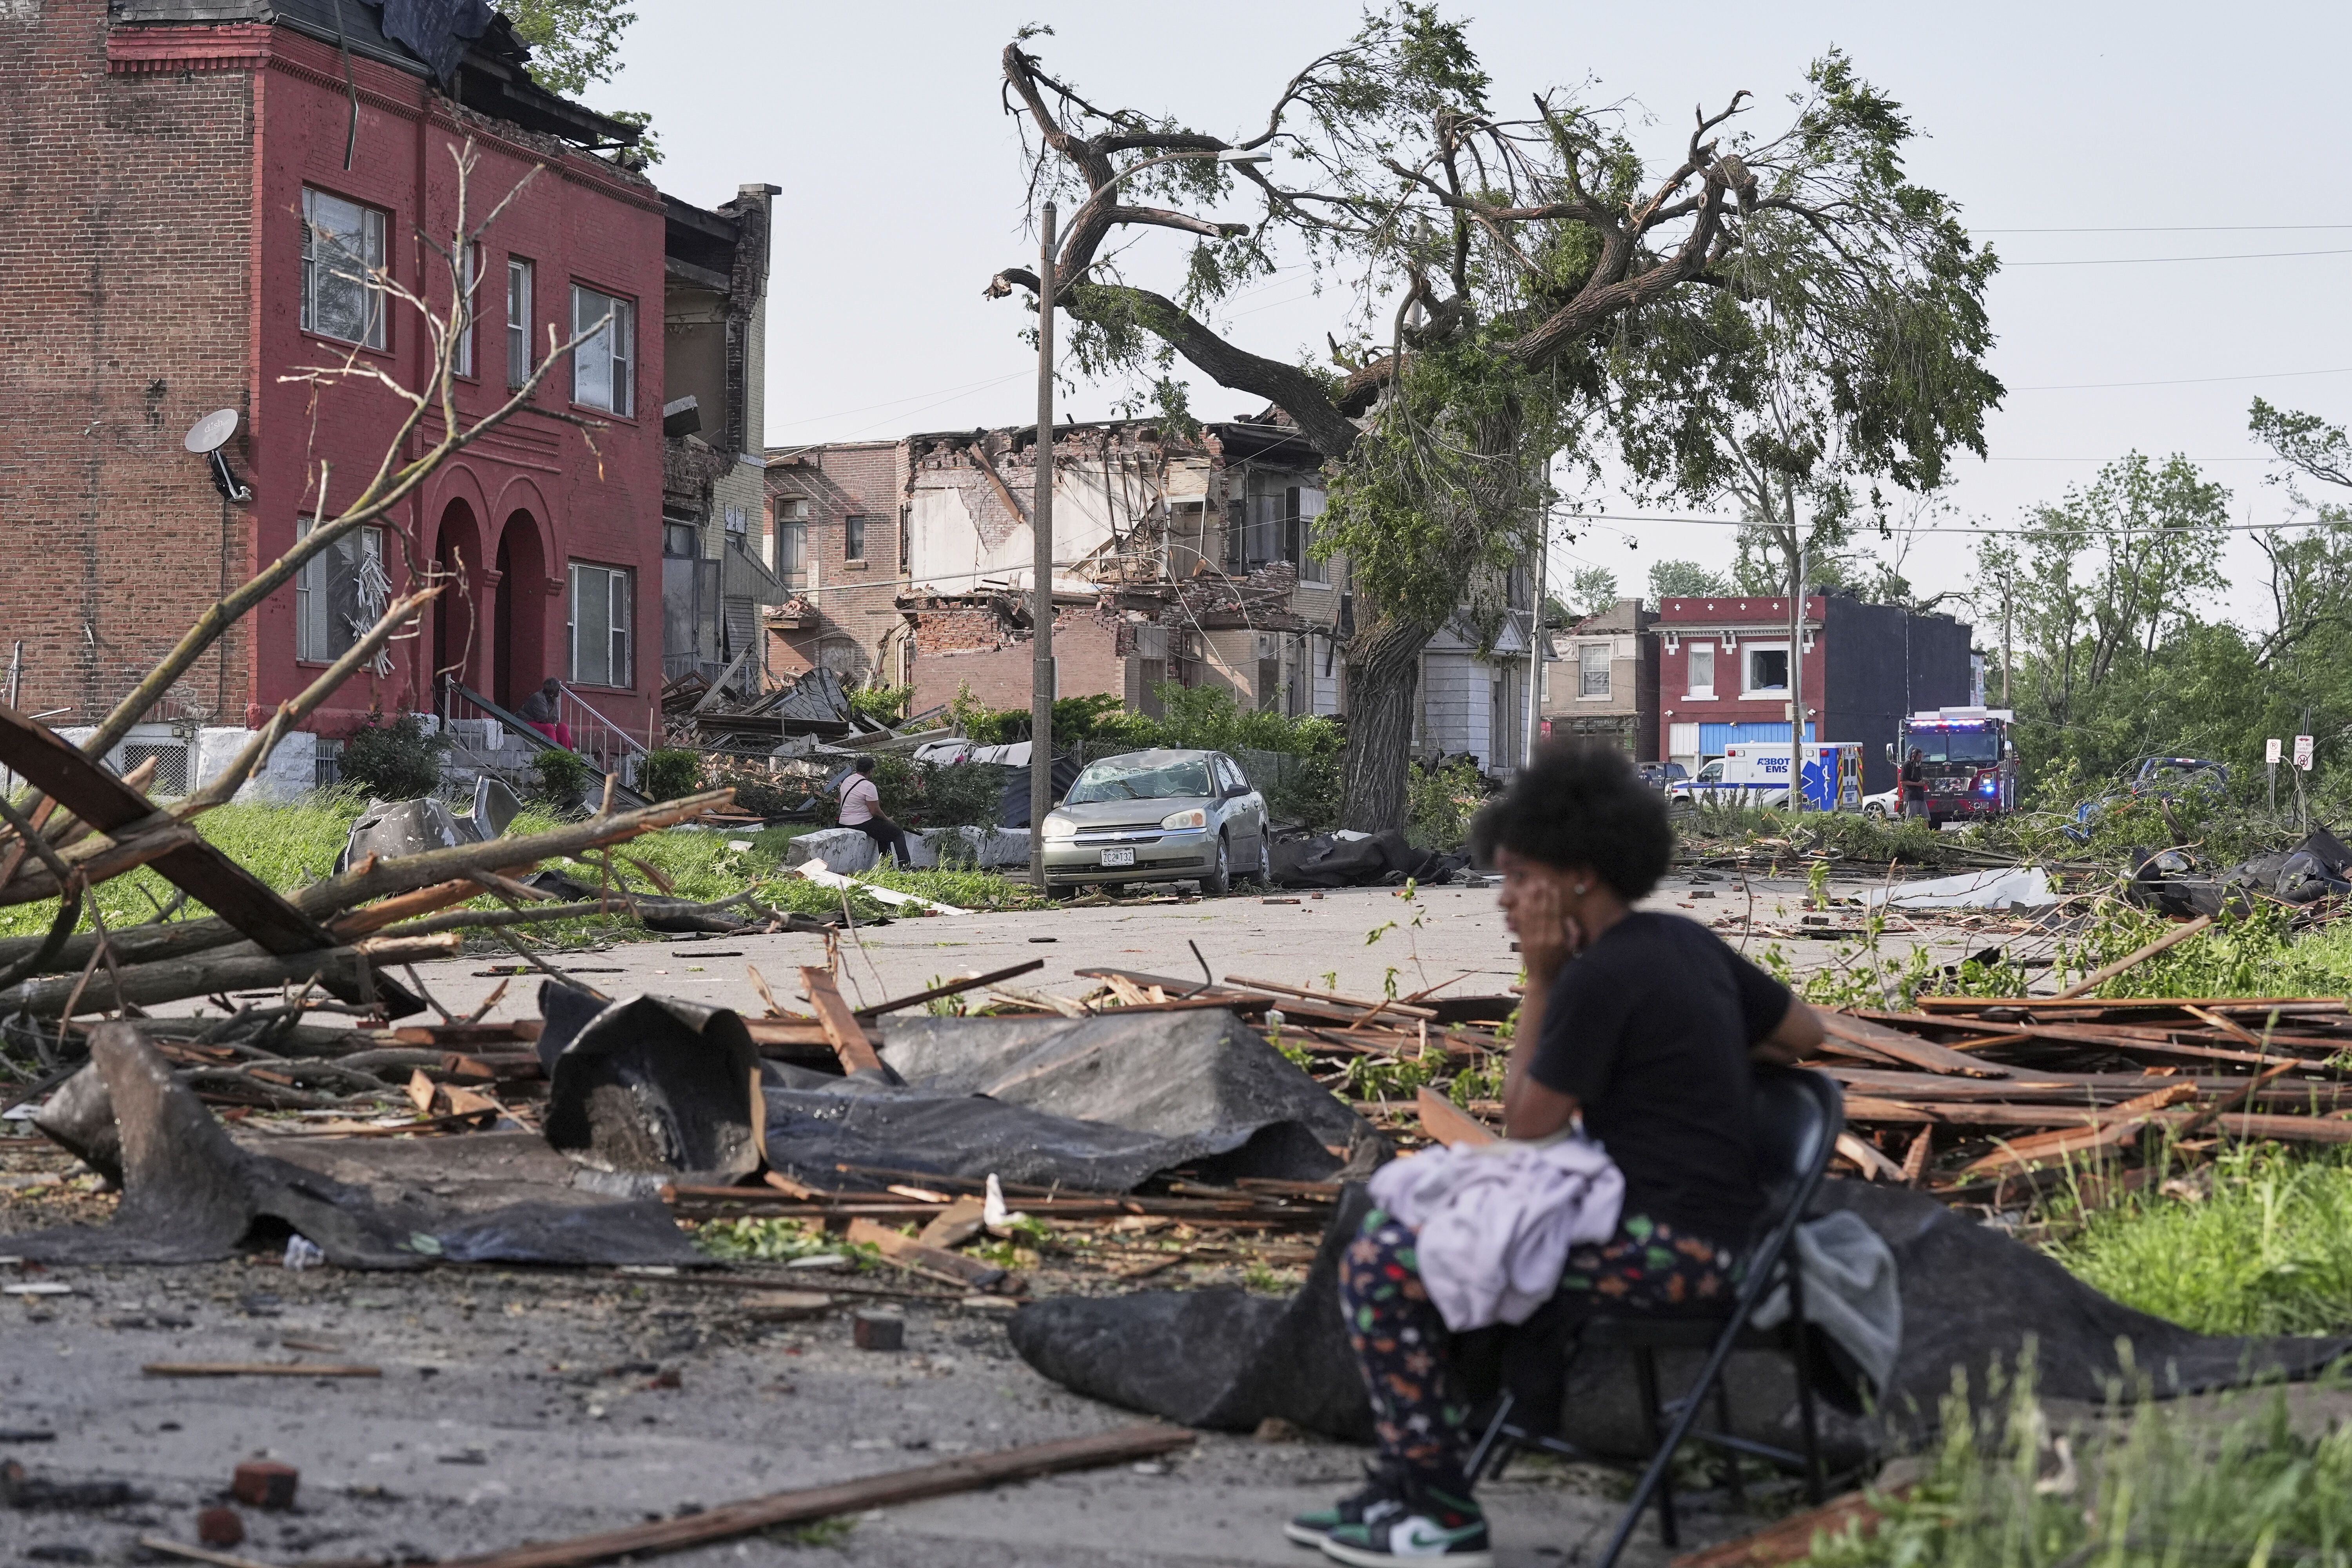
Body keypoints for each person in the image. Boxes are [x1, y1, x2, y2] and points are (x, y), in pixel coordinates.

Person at [1289, 742, 1824, 1567]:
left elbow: (1529, 1122)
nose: (1503, 899)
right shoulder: (1681, 942)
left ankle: (1434, 1506)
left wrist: (1540, 974)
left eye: (1517, 877)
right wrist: (1700, 1056)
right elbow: (1806, 1036)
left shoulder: (1597, 976)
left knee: (1382, 1263)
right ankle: (1410, 1483)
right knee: (1443, 1248)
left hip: (1675, 1255)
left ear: (1578, 873)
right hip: (1730, 1237)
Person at [836, 756, 912, 866]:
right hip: (860, 823)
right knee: (897, 833)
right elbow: (875, 811)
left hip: (843, 821)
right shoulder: (868, 786)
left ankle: (887, 867)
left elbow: (840, 800)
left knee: (884, 833)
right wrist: (887, 819)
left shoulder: (847, 781)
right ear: (871, 771)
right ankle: (905, 866)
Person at [515, 678, 573, 752]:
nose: (559, 693)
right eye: (559, 691)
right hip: (525, 723)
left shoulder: (552, 699)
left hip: (542, 724)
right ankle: (553, 754)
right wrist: (554, 707)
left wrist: (555, 725)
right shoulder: (538, 698)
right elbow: (544, 720)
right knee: (548, 728)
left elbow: (557, 719)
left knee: (563, 727)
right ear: (553, 693)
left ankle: (567, 755)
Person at [1900, 746, 1926, 820]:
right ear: (1913, 756)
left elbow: (1917, 779)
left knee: (1925, 818)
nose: (1920, 759)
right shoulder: (1907, 765)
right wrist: (1917, 784)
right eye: (1919, 757)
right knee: (1912, 819)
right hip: (1911, 797)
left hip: (1920, 796)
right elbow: (1903, 781)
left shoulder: (1918, 767)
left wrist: (1924, 782)